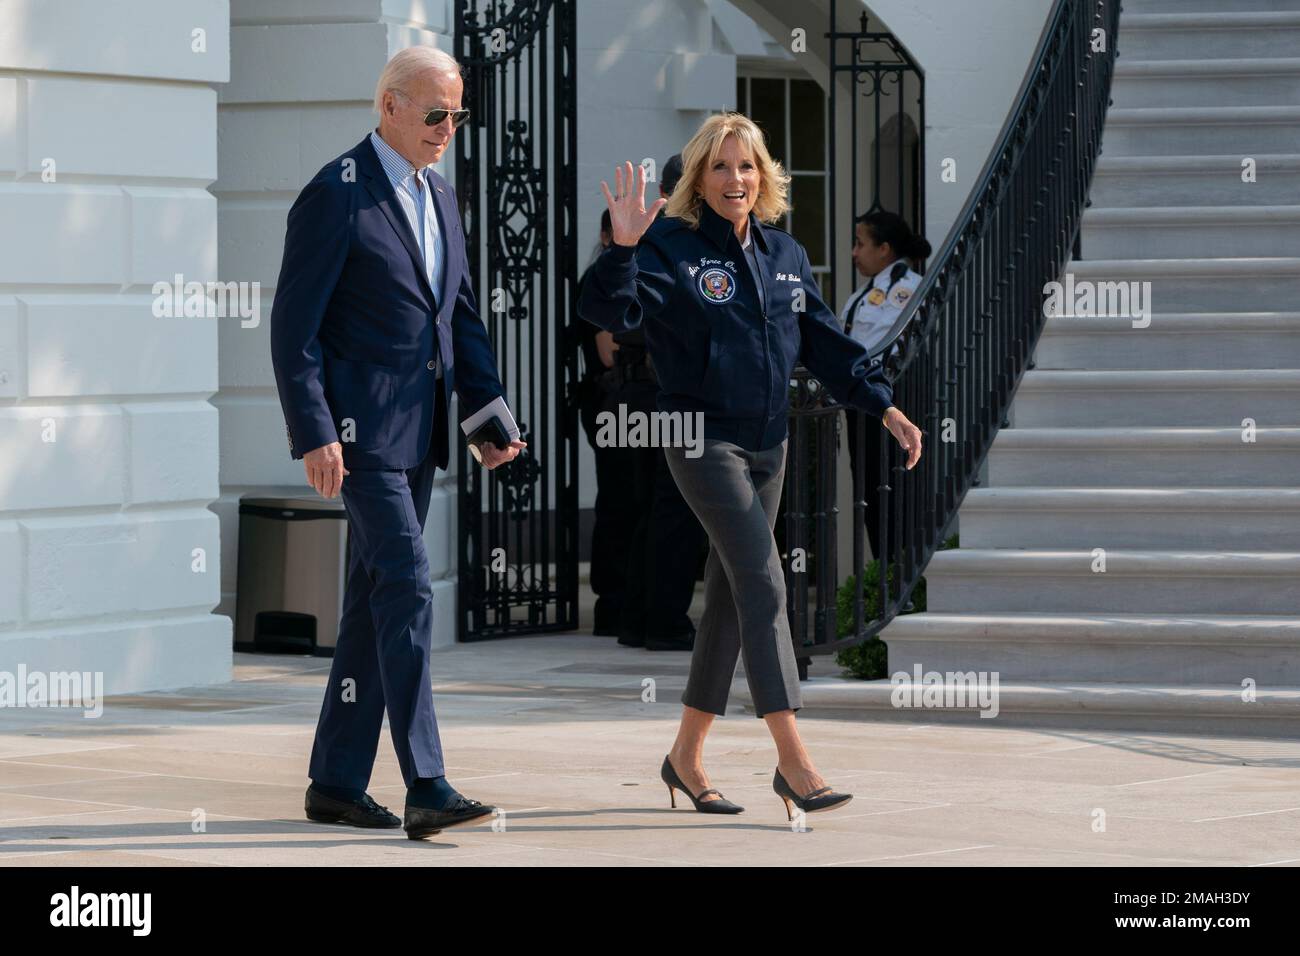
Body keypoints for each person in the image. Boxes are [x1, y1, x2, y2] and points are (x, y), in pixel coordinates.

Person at [579, 113, 923, 817]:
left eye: (747, 167)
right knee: (764, 581)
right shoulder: (667, 247)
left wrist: (882, 406)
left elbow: (825, 343)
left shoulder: (785, 255)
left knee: (735, 599)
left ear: (762, 175)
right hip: (700, 436)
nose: (735, 180)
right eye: (720, 167)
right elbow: (604, 307)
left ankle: (685, 759)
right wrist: (621, 246)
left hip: (771, 440)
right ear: (699, 180)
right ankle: (794, 762)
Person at [269, 46, 524, 841]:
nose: (448, 129)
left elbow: (460, 320)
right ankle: (428, 782)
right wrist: (313, 431)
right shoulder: (334, 194)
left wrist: (486, 417)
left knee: (370, 606)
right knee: (410, 584)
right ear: (388, 106)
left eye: (458, 115)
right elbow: (293, 330)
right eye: (435, 113)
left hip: (421, 435)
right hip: (359, 438)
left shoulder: (441, 195)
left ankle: (337, 781)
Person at [608, 151, 708, 651]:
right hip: (661, 392)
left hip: (638, 391)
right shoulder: (674, 241)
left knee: (646, 507)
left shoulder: (649, 237)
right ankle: (663, 620)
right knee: (674, 509)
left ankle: (640, 618)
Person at [838, 209, 931, 561]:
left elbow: (881, 350)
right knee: (869, 492)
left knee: (887, 492)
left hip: (887, 401)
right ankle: (885, 575)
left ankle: (896, 575)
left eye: (861, 244)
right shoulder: (867, 291)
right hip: (860, 401)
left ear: (885, 249)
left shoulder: (904, 289)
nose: (854, 253)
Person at [573, 210, 638, 635]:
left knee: (630, 501)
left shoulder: (624, 276)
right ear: (604, 235)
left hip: (624, 405)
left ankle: (624, 601)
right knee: (619, 501)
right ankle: (612, 604)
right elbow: (608, 352)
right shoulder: (601, 279)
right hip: (610, 405)